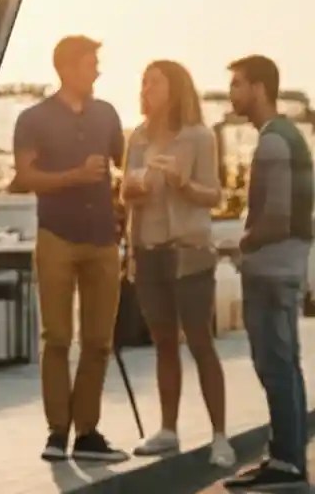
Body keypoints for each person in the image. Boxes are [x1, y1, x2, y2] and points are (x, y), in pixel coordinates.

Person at [13, 35, 130, 463]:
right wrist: (75, 176)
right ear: (65, 68)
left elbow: (126, 164)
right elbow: (25, 177)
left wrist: (126, 202)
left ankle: (88, 434)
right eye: (89, 64)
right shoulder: (34, 118)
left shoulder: (107, 115)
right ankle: (56, 432)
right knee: (57, 337)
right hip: (56, 236)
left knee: (99, 341)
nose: (97, 71)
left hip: (102, 238)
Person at [122, 61, 235, 467]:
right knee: (163, 343)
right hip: (149, 252)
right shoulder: (136, 137)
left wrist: (182, 185)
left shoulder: (199, 137)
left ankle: (220, 436)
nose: (146, 88)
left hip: (189, 251)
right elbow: (125, 195)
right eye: (144, 81)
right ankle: (168, 430)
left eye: (154, 82)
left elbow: (215, 195)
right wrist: (131, 191)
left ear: (175, 89)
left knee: (200, 341)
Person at [223, 55, 312, 490]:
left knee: (276, 364)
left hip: (273, 270)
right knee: (283, 364)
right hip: (285, 266)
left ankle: (288, 462)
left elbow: (276, 218)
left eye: (238, 84)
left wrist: (240, 243)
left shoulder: (274, 142)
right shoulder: (286, 137)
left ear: (260, 88)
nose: (232, 93)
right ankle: (286, 456)